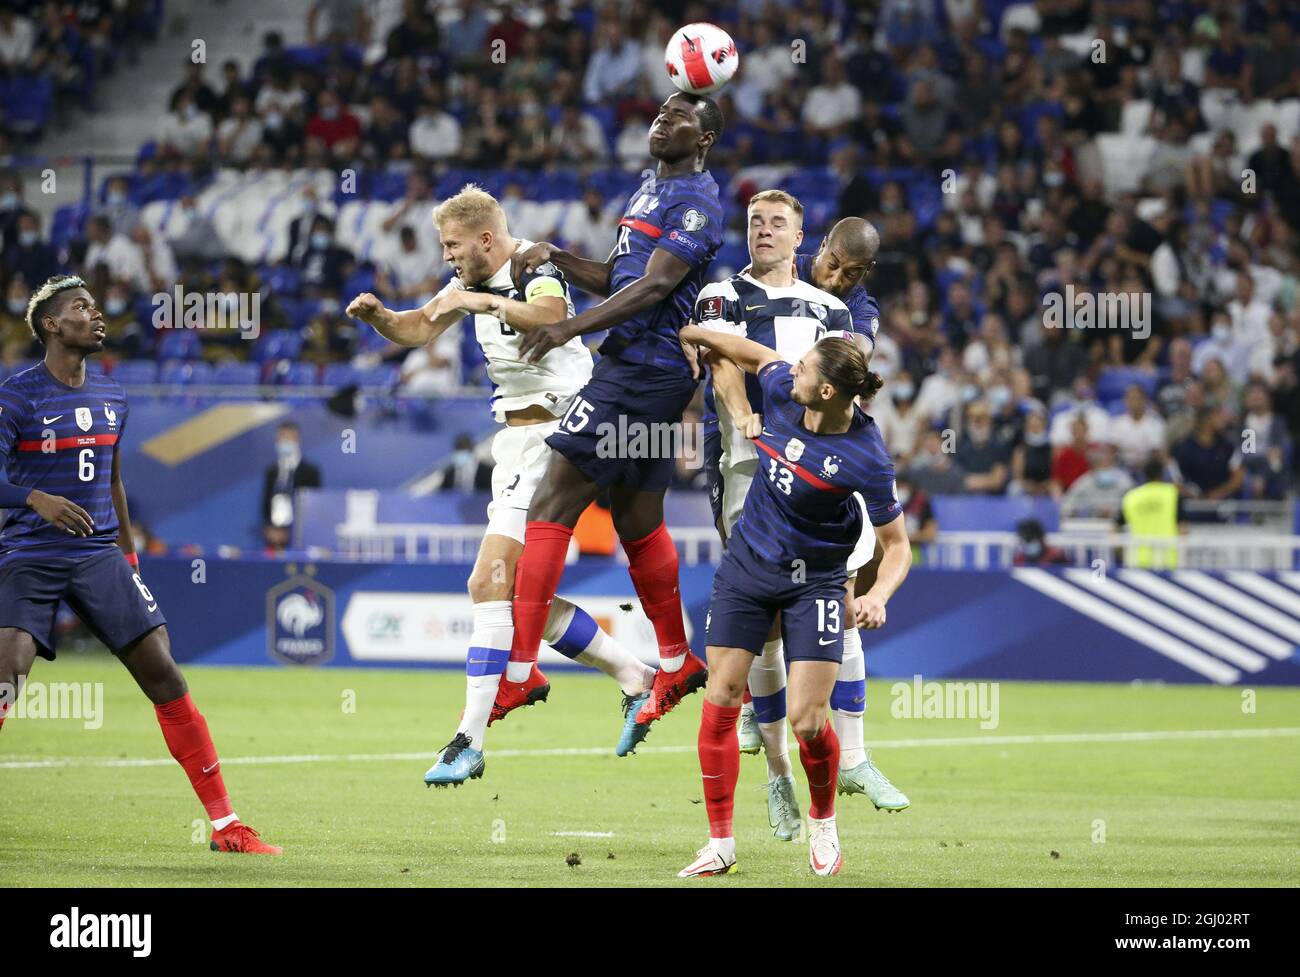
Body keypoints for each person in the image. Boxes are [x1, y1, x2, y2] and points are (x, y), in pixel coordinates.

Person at [346, 184, 656, 786]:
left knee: (488, 580)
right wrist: (381, 317)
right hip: (517, 443)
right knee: (512, 594)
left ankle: (469, 738)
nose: (447, 257)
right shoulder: (465, 284)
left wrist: (481, 305)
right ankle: (635, 676)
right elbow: (419, 327)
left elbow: (552, 317)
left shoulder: (532, 267)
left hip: (564, 431)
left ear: (486, 239)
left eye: (453, 245)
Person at [0, 275, 280, 854]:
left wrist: (128, 556)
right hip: (29, 551)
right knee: (8, 673)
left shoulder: (112, 396)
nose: (96, 315)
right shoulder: (15, 396)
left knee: (165, 675)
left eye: (96, 306)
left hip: (98, 553)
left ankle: (227, 826)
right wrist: (35, 499)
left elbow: (115, 479)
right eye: (81, 308)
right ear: (51, 325)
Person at [503, 92, 726, 743]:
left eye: (680, 116)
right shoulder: (651, 188)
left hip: (638, 372)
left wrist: (570, 325)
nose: (662, 119)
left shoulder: (700, 204)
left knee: (552, 501)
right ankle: (677, 659)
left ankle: (521, 670)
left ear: (704, 138)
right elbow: (618, 276)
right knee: (635, 518)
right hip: (642, 374)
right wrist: (556, 258)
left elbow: (656, 287)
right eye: (660, 111)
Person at [675, 325, 910, 878]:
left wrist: (877, 593)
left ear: (827, 392)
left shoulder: (866, 457)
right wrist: (691, 330)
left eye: (804, 368)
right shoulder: (784, 388)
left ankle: (823, 822)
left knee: (807, 721)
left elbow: (898, 546)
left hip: (817, 583)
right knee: (722, 697)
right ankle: (720, 844)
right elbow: (750, 354)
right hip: (747, 569)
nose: (790, 371)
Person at [262, 421, 321, 551]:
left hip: (302, 534)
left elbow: (316, 507)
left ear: (298, 440)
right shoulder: (272, 471)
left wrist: (294, 530)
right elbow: (266, 503)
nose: (285, 442)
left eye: (289, 438)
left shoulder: (310, 472)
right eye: (282, 437)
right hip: (275, 536)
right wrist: (270, 528)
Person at [1117, 459, 1185, 569]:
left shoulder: (1131, 496)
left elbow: (1115, 528)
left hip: (1137, 559)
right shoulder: (1173, 493)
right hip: (1167, 559)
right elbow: (1183, 529)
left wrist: (1123, 555)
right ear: (1162, 474)